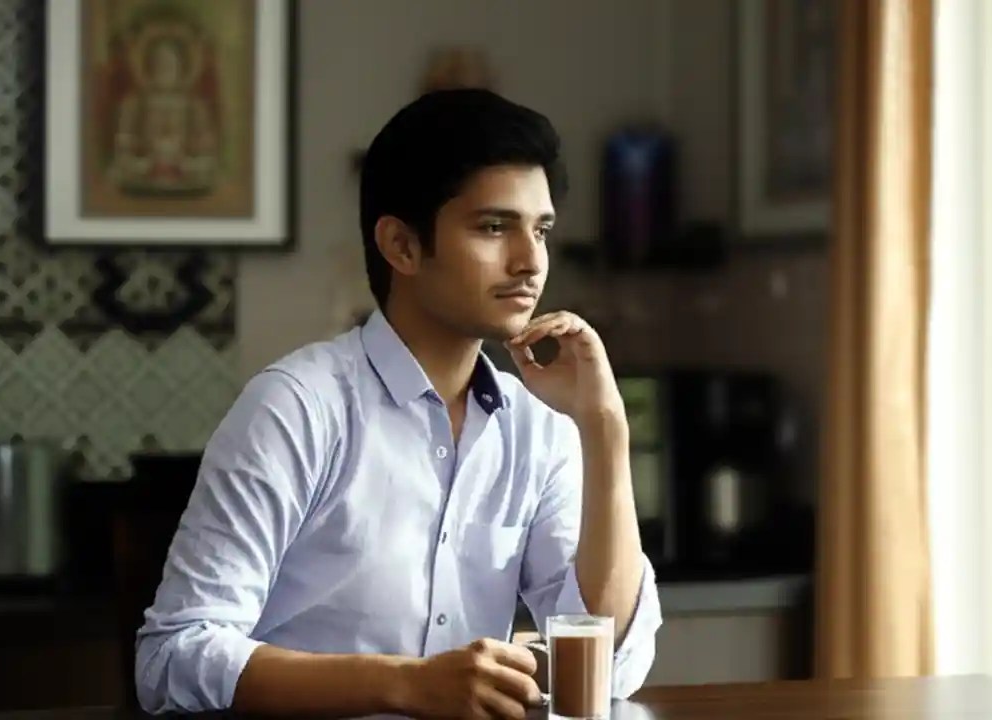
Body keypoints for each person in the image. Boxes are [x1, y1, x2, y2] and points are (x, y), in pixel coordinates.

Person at [134, 88, 662, 717]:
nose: (530, 262)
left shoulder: (537, 431)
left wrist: (603, 429)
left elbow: (611, 667)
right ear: (402, 246)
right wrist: (404, 683)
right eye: (494, 227)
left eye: (540, 230)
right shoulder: (298, 408)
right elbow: (173, 657)